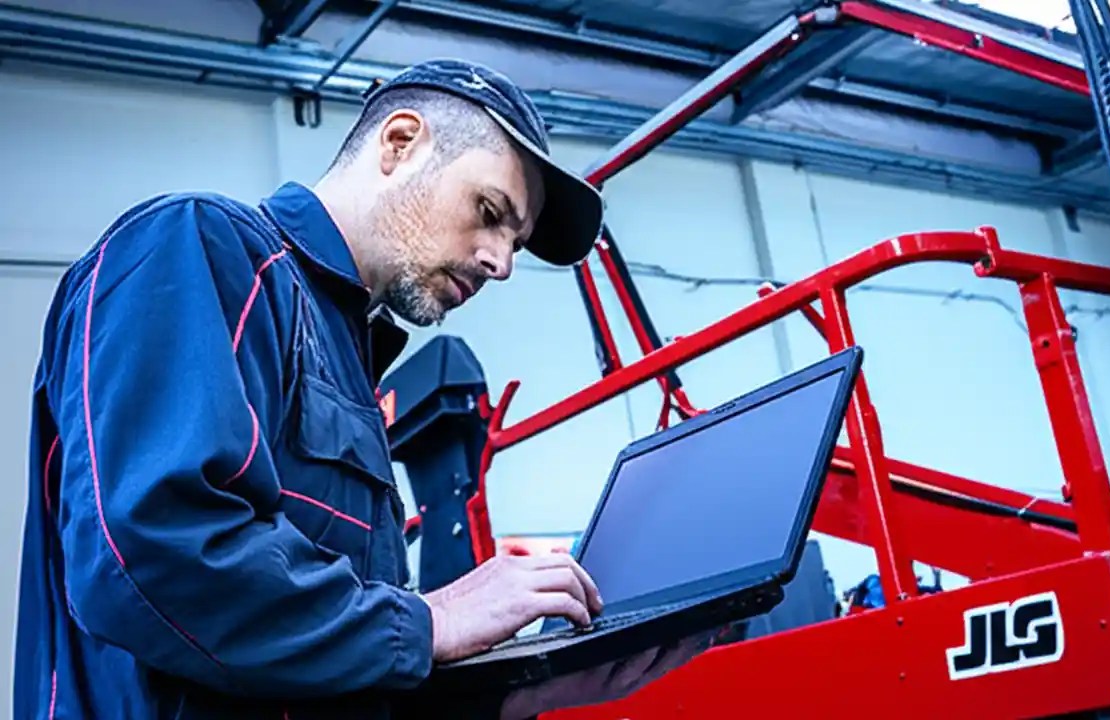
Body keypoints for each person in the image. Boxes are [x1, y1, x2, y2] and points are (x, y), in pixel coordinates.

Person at [14, 59, 704, 720]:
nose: (500, 264)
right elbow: (151, 549)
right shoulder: (203, 247)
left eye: (516, 244)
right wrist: (429, 621)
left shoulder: (348, 363)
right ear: (401, 143)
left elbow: (321, 666)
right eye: (491, 211)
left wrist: (518, 693)